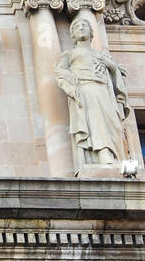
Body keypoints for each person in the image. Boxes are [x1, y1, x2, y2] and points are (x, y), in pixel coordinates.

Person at [54, 17, 129, 168]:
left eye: (84, 25)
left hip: (105, 92)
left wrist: (113, 67)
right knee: (96, 122)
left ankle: (116, 158)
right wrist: (73, 87)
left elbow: (115, 77)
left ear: (92, 32)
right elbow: (60, 72)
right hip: (86, 90)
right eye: (77, 27)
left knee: (113, 125)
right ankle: (103, 155)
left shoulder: (102, 55)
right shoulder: (70, 54)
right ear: (72, 35)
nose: (81, 28)